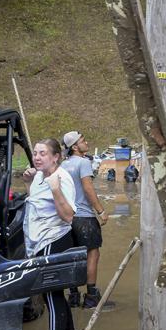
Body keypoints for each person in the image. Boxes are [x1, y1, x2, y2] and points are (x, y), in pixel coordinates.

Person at [22, 138, 77, 330]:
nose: (37, 157)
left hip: (54, 240)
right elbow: (36, 203)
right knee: (54, 294)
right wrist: (28, 182)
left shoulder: (62, 178)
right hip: (39, 241)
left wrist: (55, 189)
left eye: (43, 153)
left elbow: (68, 216)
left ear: (56, 157)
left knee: (51, 297)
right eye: (35, 153)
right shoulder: (37, 176)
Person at [61, 131, 113, 310]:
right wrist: (101, 210)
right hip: (84, 217)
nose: (86, 142)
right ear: (74, 147)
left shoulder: (63, 165)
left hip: (66, 218)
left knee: (72, 256)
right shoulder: (83, 162)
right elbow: (88, 188)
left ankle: (73, 296)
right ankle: (91, 297)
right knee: (92, 254)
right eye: (82, 140)